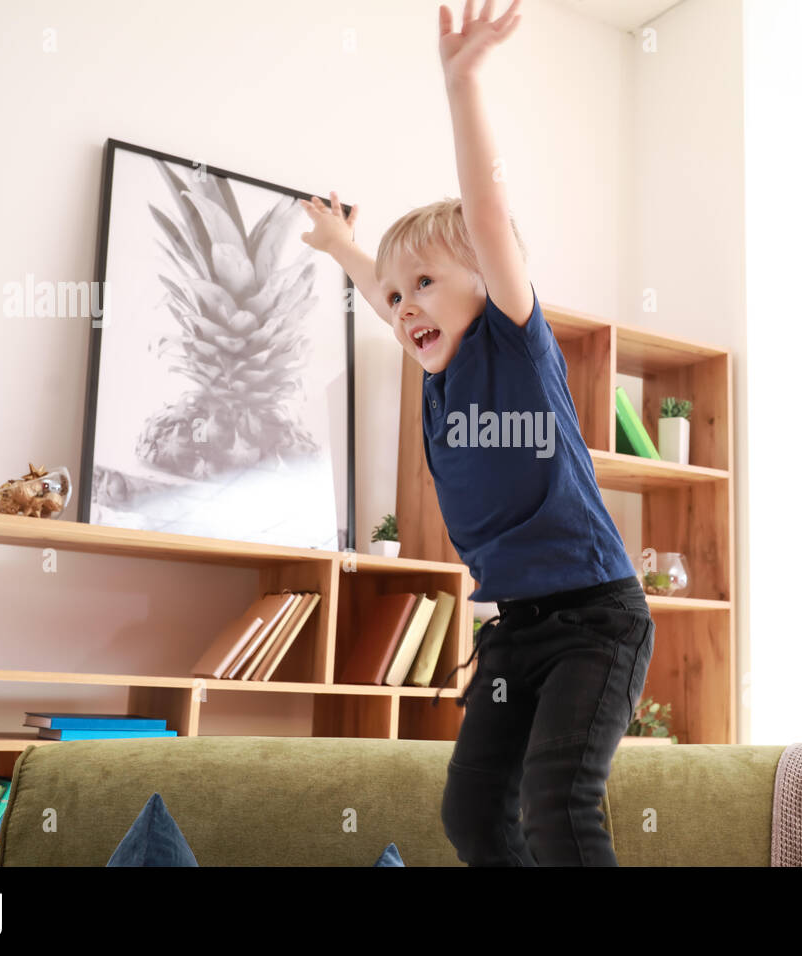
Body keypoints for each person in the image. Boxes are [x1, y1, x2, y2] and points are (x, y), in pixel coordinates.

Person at [300, 0, 654, 866]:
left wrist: (463, 82)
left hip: (594, 622)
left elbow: (487, 216)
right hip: (512, 632)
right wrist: (350, 250)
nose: (406, 304)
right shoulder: (433, 372)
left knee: (559, 806)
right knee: (471, 816)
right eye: (396, 298)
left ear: (488, 282)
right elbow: (388, 290)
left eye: (427, 281)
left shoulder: (513, 343)